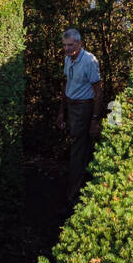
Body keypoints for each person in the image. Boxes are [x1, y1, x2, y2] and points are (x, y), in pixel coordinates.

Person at [55, 28, 103, 205]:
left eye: (71, 45)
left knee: (78, 152)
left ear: (80, 43)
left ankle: (73, 198)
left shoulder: (90, 61)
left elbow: (98, 92)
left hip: (84, 110)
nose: (67, 49)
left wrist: (94, 119)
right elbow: (67, 85)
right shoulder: (68, 59)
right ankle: (78, 192)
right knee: (79, 150)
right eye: (65, 45)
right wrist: (62, 112)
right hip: (71, 108)